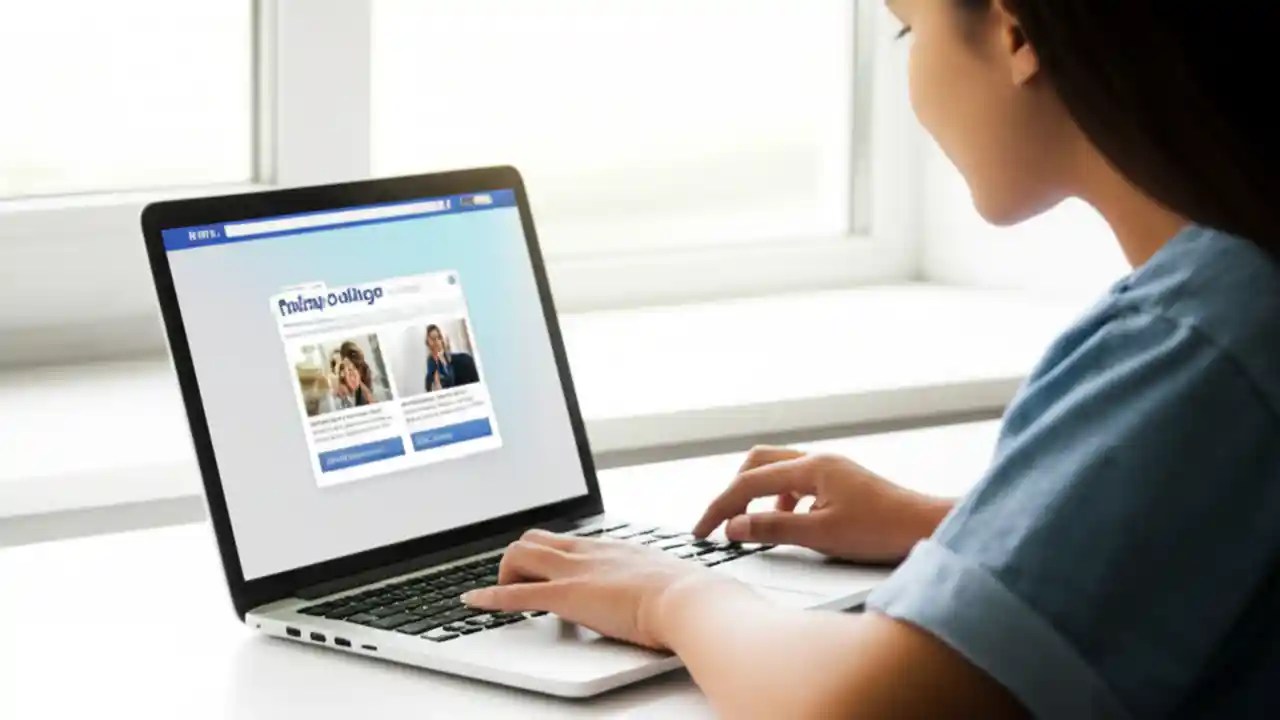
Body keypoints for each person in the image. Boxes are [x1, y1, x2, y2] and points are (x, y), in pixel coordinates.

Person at [460, 1, 1280, 717]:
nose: (912, 82)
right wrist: (952, 529)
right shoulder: (1242, 286)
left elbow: (863, 708)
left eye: (907, 33)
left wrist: (670, 593)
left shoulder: (1195, 335)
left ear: (1016, 31)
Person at [424, 324, 480, 392]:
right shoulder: (431, 369)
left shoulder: (464, 360)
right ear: (428, 344)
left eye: (439, 338)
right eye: (433, 339)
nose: (437, 342)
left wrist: (444, 360)